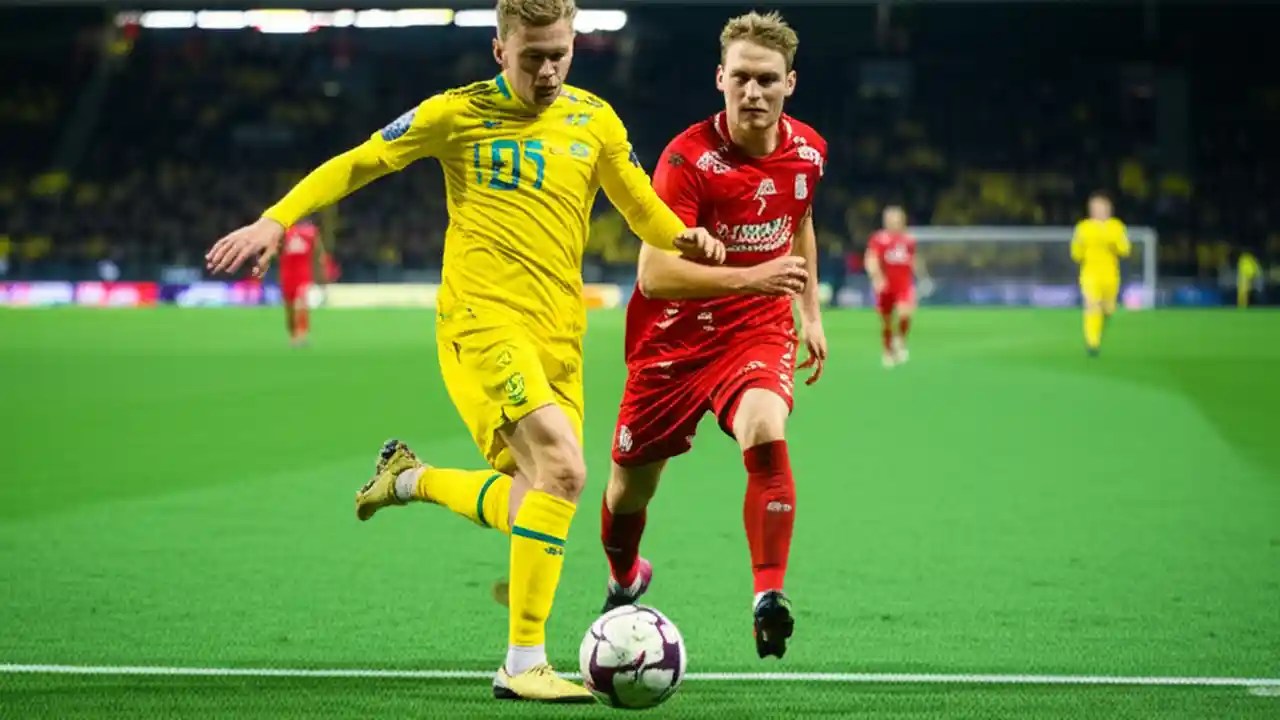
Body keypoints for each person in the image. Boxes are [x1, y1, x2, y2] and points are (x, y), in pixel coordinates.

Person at [205, 0, 723, 702]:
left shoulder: (595, 119)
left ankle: (408, 477)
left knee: (532, 499)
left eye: (561, 53)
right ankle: (522, 662)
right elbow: (361, 162)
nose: (548, 69)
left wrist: (684, 236)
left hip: (559, 337)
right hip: (481, 321)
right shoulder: (456, 114)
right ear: (498, 51)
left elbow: (638, 208)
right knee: (566, 472)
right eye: (533, 54)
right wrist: (277, 218)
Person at [596, 10, 828, 661]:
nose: (753, 92)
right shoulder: (686, 160)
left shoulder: (809, 151)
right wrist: (755, 277)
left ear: (790, 83)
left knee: (765, 429)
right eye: (742, 78)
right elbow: (655, 274)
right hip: (670, 342)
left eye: (767, 80)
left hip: (755, 332)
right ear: (719, 77)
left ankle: (768, 597)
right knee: (628, 491)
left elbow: (799, 218)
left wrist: (809, 314)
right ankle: (623, 577)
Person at [1070, 192, 1130, 356]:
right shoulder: (1083, 228)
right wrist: (1080, 247)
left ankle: (1098, 330)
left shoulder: (1116, 227)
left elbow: (1125, 250)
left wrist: (1115, 244)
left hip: (1110, 275)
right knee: (1092, 305)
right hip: (1090, 274)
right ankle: (1092, 343)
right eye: (1095, 208)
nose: (1098, 211)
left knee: (1108, 310)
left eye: (1102, 208)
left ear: (1109, 209)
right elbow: (1076, 254)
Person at [865, 205, 917, 368]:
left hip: (903, 285)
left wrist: (918, 278)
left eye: (897, 220)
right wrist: (877, 278)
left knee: (904, 315)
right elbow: (871, 259)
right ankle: (887, 351)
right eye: (891, 220)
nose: (894, 223)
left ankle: (899, 341)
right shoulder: (879, 239)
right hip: (886, 286)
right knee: (887, 322)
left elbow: (912, 260)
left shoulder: (909, 240)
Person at [278, 218, 324, 346]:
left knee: (301, 305)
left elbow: (318, 253)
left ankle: (301, 335)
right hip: (287, 275)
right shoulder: (284, 232)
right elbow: (277, 251)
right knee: (289, 308)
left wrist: (320, 274)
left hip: (303, 275)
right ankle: (293, 334)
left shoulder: (312, 233)